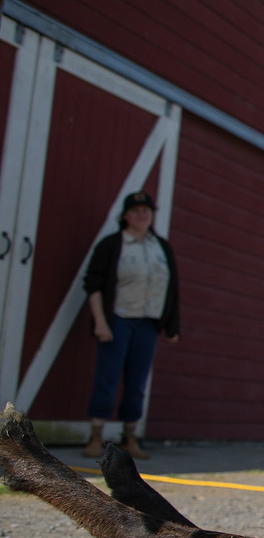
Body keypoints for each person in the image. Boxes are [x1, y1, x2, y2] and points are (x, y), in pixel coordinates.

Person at [81, 191, 180, 460]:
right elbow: (94, 284)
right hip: (117, 320)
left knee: (137, 381)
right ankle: (96, 437)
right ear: (125, 215)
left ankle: (129, 437)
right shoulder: (112, 245)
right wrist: (101, 322)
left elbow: (171, 288)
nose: (141, 215)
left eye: (146, 210)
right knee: (108, 377)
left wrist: (172, 325)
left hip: (148, 322)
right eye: (135, 210)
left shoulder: (160, 247)